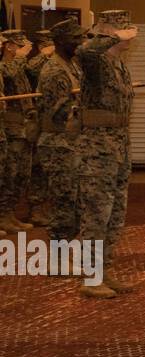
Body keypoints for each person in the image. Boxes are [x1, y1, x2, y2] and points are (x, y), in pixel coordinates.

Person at [75, 10, 138, 298]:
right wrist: (104, 34)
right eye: (122, 29)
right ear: (109, 31)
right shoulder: (96, 60)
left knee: (115, 213)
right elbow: (84, 53)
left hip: (119, 145)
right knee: (97, 213)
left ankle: (104, 269)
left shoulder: (118, 64)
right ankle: (90, 276)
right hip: (98, 147)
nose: (129, 34)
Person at [37, 19, 85, 263]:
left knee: (75, 201)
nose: (79, 42)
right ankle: (57, 259)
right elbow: (59, 112)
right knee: (64, 203)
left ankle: (66, 252)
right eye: (74, 39)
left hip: (71, 141)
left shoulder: (71, 65)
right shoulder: (55, 70)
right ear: (60, 42)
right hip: (58, 143)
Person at [0, 30, 36, 233]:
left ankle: (9, 213)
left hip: (24, 125)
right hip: (11, 127)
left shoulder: (21, 66)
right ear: (9, 46)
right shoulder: (6, 66)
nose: (25, 48)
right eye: (19, 45)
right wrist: (20, 57)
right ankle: (2, 214)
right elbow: (9, 73)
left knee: (21, 174)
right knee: (9, 173)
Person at [24, 29, 55, 227]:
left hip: (54, 122)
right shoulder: (35, 62)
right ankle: (36, 208)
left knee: (50, 168)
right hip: (38, 122)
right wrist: (45, 55)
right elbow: (31, 70)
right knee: (38, 167)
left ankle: (46, 208)